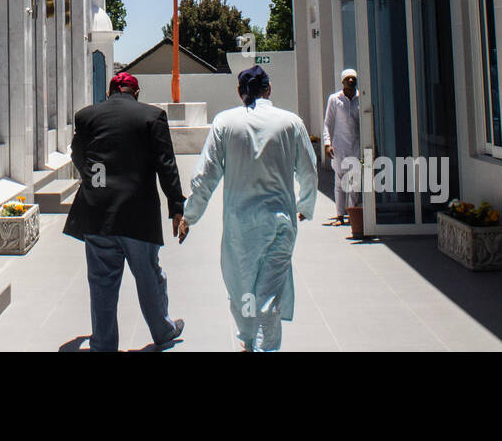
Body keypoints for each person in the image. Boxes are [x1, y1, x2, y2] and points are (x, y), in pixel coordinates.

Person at [183, 65, 318, 352]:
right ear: (269, 89)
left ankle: (251, 342)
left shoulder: (225, 123)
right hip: (280, 222)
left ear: (239, 92)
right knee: (267, 294)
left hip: (240, 227)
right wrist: (304, 205)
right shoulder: (290, 122)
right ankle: (257, 345)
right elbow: (309, 170)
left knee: (242, 290)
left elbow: (205, 174)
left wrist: (189, 215)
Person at [63, 71, 187, 352]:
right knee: (149, 276)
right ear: (137, 93)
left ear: (109, 93)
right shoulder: (152, 116)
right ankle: (164, 331)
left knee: (102, 282)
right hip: (138, 214)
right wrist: (176, 206)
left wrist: (95, 183)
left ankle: (104, 344)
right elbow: (166, 164)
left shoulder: (87, 116)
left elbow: (78, 154)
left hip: (98, 213)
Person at [322, 68, 361, 226]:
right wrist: (327, 143)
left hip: (356, 146)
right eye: (348, 79)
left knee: (354, 183)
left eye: (353, 79)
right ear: (343, 81)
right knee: (340, 182)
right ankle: (339, 215)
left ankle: (353, 214)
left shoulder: (361, 98)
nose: (351, 81)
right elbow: (327, 123)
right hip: (339, 147)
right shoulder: (335, 99)